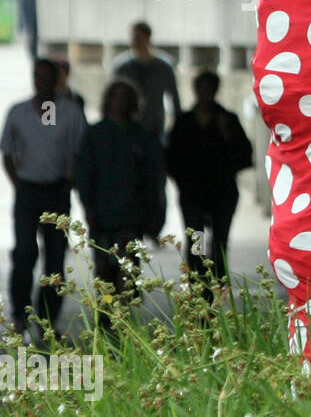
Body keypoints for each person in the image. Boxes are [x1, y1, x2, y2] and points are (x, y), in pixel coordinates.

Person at [1, 58, 88, 344]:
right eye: (37, 76)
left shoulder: (70, 112)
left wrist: (70, 179)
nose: (41, 81)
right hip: (28, 190)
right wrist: (18, 182)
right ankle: (20, 315)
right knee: (25, 254)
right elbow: (8, 151)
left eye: (46, 76)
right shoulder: (19, 112)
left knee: (54, 259)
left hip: (56, 192)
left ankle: (47, 320)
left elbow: (80, 150)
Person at [76, 80, 164, 332]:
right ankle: (104, 318)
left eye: (126, 97)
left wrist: (153, 216)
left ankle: (122, 318)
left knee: (127, 269)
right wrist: (88, 207)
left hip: (130, 214)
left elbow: (152, 178)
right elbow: (85, 173)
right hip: (102, 214)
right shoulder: (96, 133)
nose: (120, 102)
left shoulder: (141, 135)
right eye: (116, 97)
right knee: (104, 270)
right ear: (108, 101)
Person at [165, 70, 253, 303]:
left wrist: (225, 134)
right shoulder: (185, 121)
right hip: (194, 194)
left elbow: (244, 156)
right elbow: (171, 157)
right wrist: (183, 182)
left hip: (221, 193)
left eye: (208, 89)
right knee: (198, 241)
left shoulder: (227, 119)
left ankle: (218, 288)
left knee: (220, 242)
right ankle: (197, 285)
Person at [111, 21, 179, 238]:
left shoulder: (163, 66)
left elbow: (174, 102)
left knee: (156, 184)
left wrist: (171, 135)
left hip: (153, 135)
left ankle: (154, 226)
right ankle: (135, 226)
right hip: (128, 135)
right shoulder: (123, 66)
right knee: (130, 181)